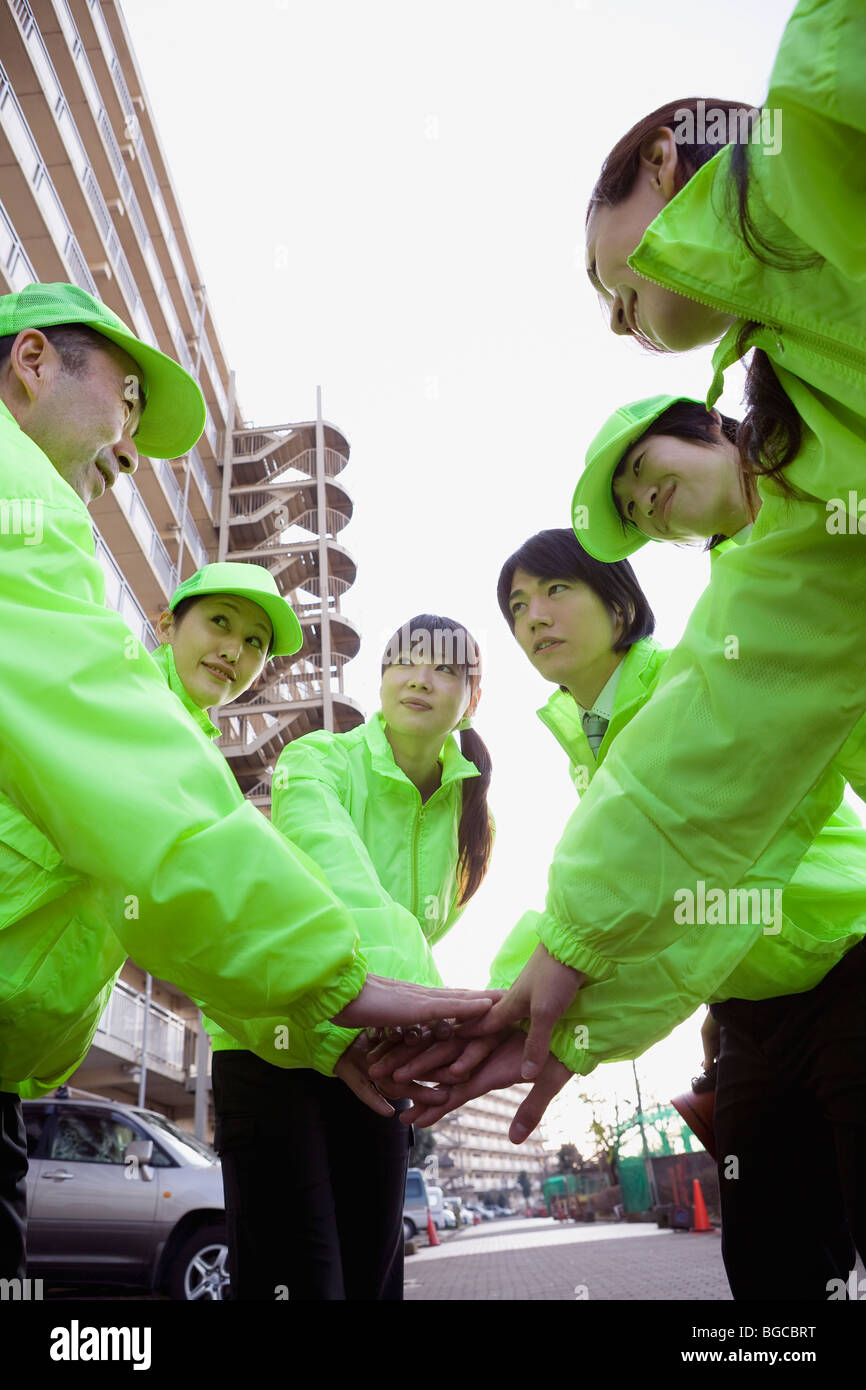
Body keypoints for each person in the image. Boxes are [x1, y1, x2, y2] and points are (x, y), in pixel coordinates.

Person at [414, 0, 866, 1115]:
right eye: (513, 609)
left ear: (660, 158)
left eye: (553, 589)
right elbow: (716, 756)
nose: (649, 506)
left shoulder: (815, 106)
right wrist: (573, 981)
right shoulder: (808, 480)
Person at [0, 282, 493, 1278]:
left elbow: (143, 886)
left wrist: (322, 1008)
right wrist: (335, 985)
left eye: (256, 643)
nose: (132, 448)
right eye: (129, 400)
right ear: (34, 360)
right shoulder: (30, 528)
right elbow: (151, 809)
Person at [376, 518, 866, 1296]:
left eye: (556, 589)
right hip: (749, 1013)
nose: (533, 615)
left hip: (847, 967)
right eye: (516, 604)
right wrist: (492, 1007)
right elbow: (596, 910)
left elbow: (673, 879)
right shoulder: (589, 746)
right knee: (773, 1268)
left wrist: (561, 1027)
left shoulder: (692, 678)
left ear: (621, 603)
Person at [209, 613, 495, 1300]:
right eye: (407, 661)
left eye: (447, 668)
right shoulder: (317, 759)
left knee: (371, 1271)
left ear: (473, 696)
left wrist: (415, 1024)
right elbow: (337, 879)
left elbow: (427, 932)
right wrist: (427, 1008)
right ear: (382, 676)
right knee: (297, 1277)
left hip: (375, 1045)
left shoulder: (473, 817)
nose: (421, 678)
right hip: (272, 1035)